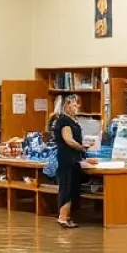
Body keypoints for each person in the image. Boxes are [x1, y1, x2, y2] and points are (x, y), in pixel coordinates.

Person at [52, 93, 85, 228]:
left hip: (73, 158)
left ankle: (67, 216)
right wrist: (82, 147)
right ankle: (63, 217)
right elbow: (68, 140)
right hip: (66, 158)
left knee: (72, 187)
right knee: (66, 187)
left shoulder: (73, 120)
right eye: (74, 104)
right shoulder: (64, 121)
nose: (77, 106)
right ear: (66, 105)